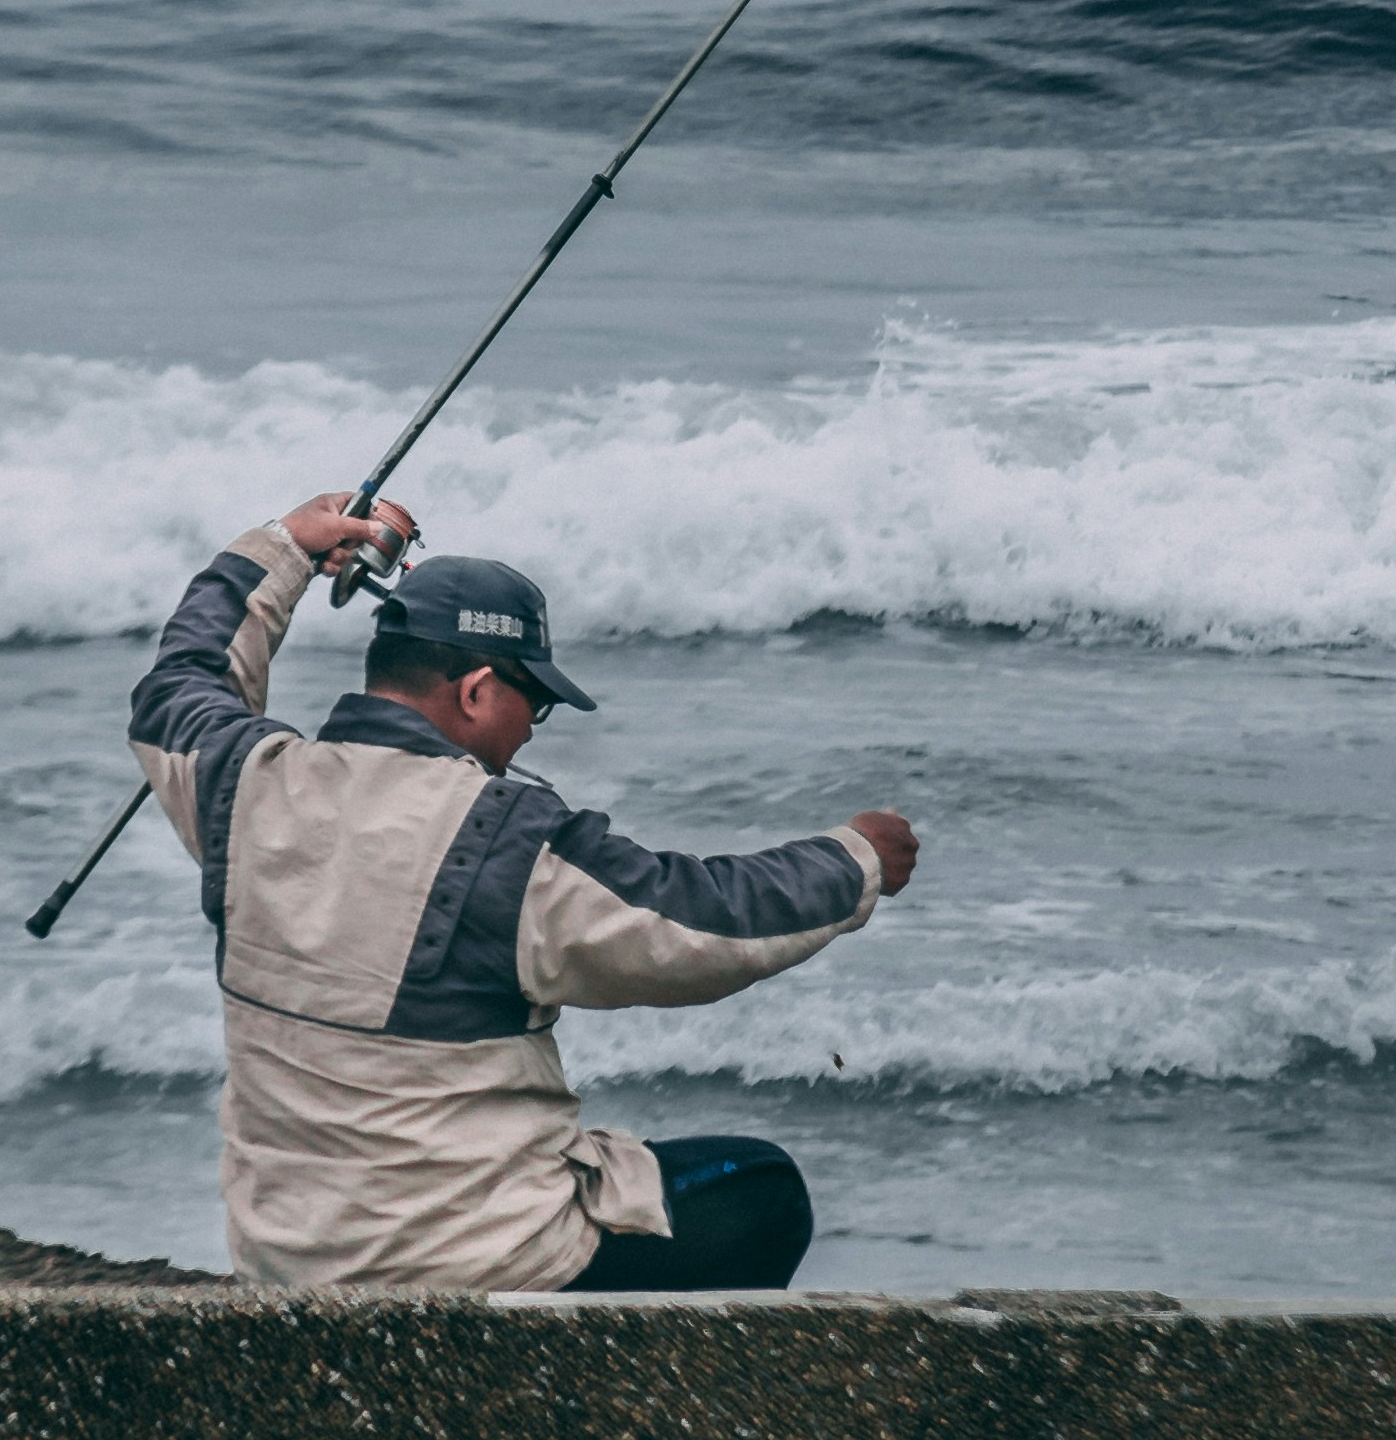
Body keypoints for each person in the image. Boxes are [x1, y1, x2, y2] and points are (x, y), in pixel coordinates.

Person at [127, 489, 919, 1292]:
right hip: (471, 1265)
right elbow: (703, 921)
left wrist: (284, 546)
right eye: (532, 700)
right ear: (475, 690)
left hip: (286, 1257)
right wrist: (855, 858)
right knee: (762, 1190)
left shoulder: (242, 786)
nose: (535, 725)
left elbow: (183, 680)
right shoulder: (507, 842)